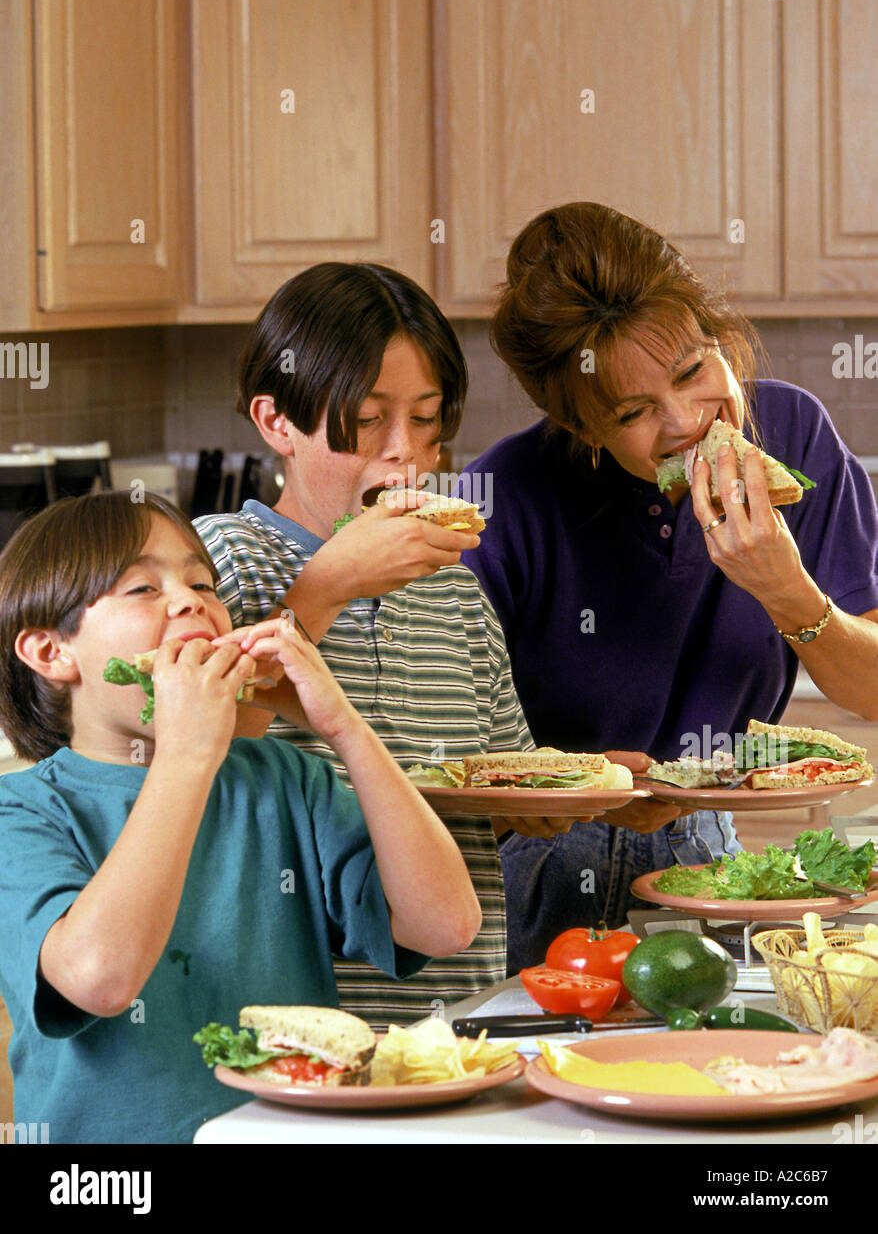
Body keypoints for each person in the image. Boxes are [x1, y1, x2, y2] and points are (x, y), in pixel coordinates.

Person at [460, 202, 878, 973]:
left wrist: (789, 593)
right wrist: (570, 792)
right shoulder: (505, 496)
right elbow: (450, 767)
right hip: (535, 878)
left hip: (710, 862)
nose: (687, 422)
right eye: (633, 412)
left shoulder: (796, 434)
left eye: (693, 372)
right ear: (580, 427)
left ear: (716, 335)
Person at [0, 492, 480, 1143]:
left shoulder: (285, 780)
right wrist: (188, 753)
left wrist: (341, 726)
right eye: (142, 587)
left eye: (202, 582)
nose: (191, 600)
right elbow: (99, 981)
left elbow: (446, 923)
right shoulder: (20, 812)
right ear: (51, 652)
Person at [195, 261, 603, 1025]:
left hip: (452, 1015)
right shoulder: (215, 562)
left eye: (425, 419)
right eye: (368, 417)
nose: (403, 452)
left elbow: (496, 785)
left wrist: (581, 792)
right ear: (276, 421)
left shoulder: (454, 587)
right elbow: (199, 749)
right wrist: (324, 588)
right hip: (288, 1018)